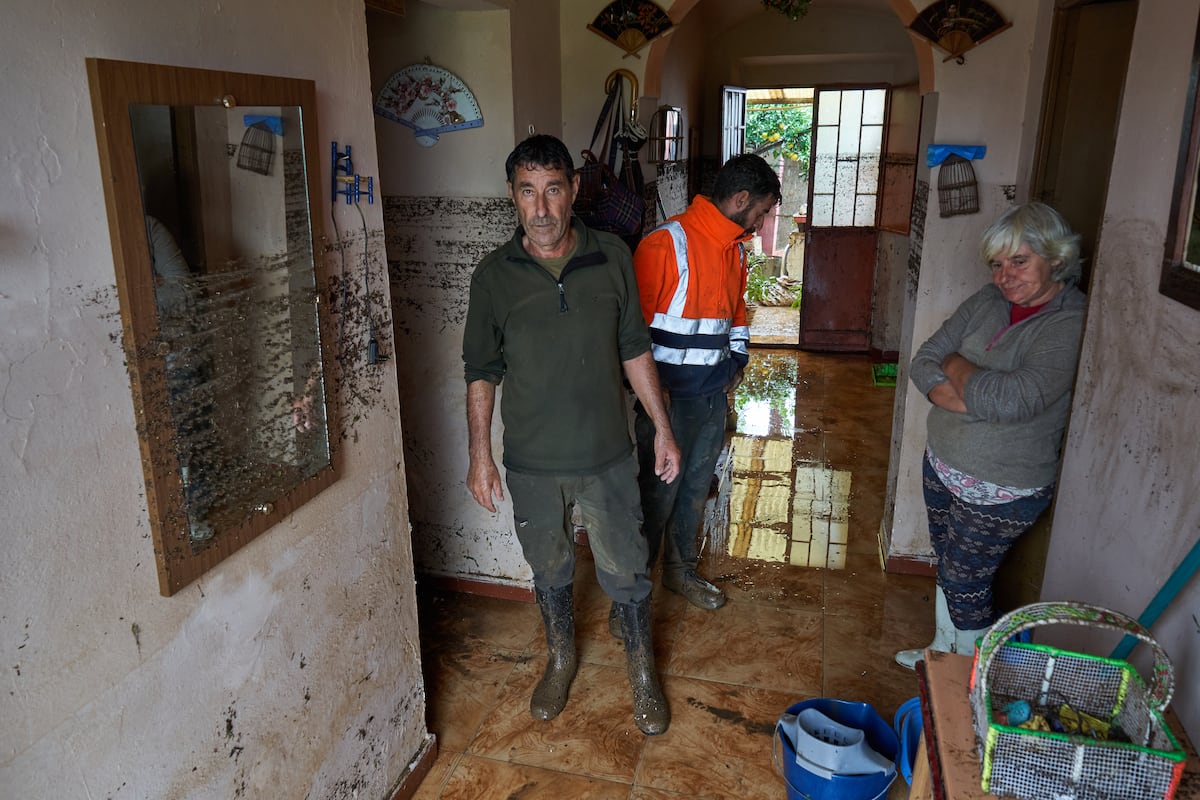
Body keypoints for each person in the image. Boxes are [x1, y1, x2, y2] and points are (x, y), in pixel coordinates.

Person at [462, 135, 682, 735]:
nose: (541, 208)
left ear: (574, 190)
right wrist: (479, 455)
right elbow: (481, 371)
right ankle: (561, 658)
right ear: (513, 195)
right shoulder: (493, 277)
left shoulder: (611, 256)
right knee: (550, 565)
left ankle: (642, 671)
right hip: (532, 463)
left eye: (553, 189)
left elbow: (634, 347)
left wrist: (662, 429)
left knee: (627, 568)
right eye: (528, 192)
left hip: (608, 455)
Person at [895, 201, 1087, 669]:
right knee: (947, 564)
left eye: (1019, 261)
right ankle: (941, 654)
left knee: (966, 581)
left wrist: (955, 367)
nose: (1005, 276)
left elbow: (1011, 400)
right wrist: (966, 392)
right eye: (998, 264)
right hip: (943, 461)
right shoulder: (987, 301)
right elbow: (924, 358)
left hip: (1005, 484)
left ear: (1056, 258)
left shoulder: (1070, 320)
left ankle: (971, 684)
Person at [626, 154, 781, 614]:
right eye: (763, 210)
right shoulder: (663, 246)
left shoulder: (732, 249)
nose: (763, 220)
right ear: (740, 199)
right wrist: (654, 405)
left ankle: (679, 573)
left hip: (711, 399)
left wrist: (736, 363)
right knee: (656, 499)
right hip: (666, 406)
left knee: (695, 491)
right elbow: (629, 335)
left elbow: (735, 314)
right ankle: (631, 600)